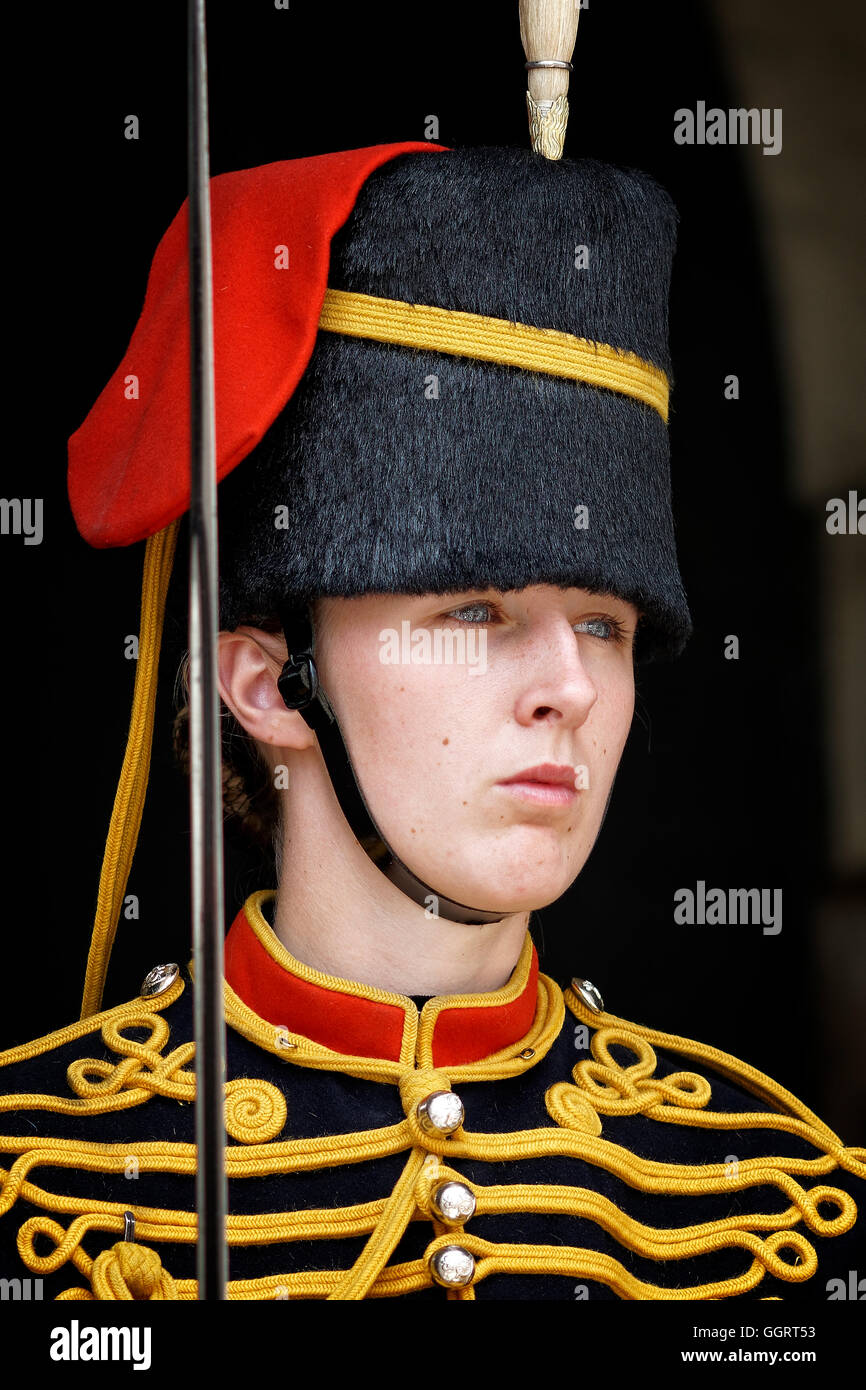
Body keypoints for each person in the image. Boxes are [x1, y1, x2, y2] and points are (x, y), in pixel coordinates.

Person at [0, 139, 862, 1302]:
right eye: (476, 609)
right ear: (266, 686)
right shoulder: (37, 1183)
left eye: (604, 624)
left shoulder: (774, 1197)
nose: (571, 685)